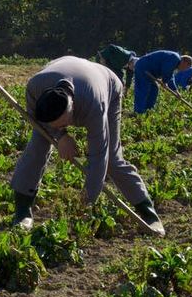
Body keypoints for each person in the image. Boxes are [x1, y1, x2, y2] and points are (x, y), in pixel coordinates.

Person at [10, 56, 164, 236]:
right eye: (54, 125)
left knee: (112, 160)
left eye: (61, 124)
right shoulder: (35, 88)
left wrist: (85, 203)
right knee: (38, 144)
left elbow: (99, 156)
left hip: (107, 84)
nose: (58, 127)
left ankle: (148, 213)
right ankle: (22, 212)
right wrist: (60, 135)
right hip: (64, 66)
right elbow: (37, 121)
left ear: (72, 109)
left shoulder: (94, 105)